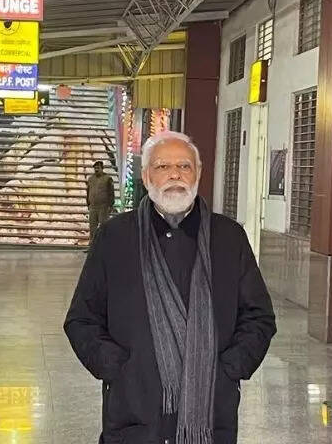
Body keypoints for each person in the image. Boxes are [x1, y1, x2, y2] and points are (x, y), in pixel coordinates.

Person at [65, 130, 276, 444]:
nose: (175, 174)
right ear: (147, 175)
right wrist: (119, 368)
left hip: (211, 412)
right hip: (134, 411)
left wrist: (231, 367)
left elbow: (259, 316)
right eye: (163, 167)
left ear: (199, 174)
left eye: (185, 166)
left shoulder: (228, 237)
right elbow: (82, 318)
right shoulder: (115, 237)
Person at [86, 161, 116, 241]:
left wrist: (110, 205)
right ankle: (92, 247)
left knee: (104, 227)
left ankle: (103, 245)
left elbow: (111, 193)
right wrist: (88, 203)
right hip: (93, 206)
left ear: (102, 168)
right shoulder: (90, 179)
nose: (96, 170)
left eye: (98, 168)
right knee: (92, 227)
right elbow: (88, 191)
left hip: (103, 207)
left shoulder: (108, 179)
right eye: (95, 168)